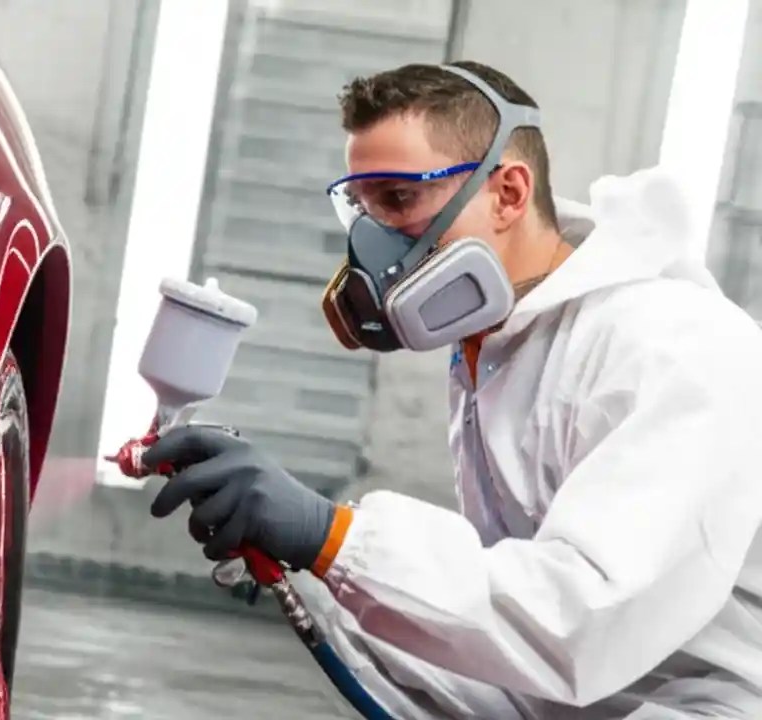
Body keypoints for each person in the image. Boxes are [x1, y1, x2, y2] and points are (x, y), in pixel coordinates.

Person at [144, 60, 762, 719]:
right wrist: (308, 569)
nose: (372, 243)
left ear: (508, 193)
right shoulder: (497, 352)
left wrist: (333, 537)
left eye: (400, 199)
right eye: (361, 206)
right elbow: (503, 649)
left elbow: (580, 620)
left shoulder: (674, 344)